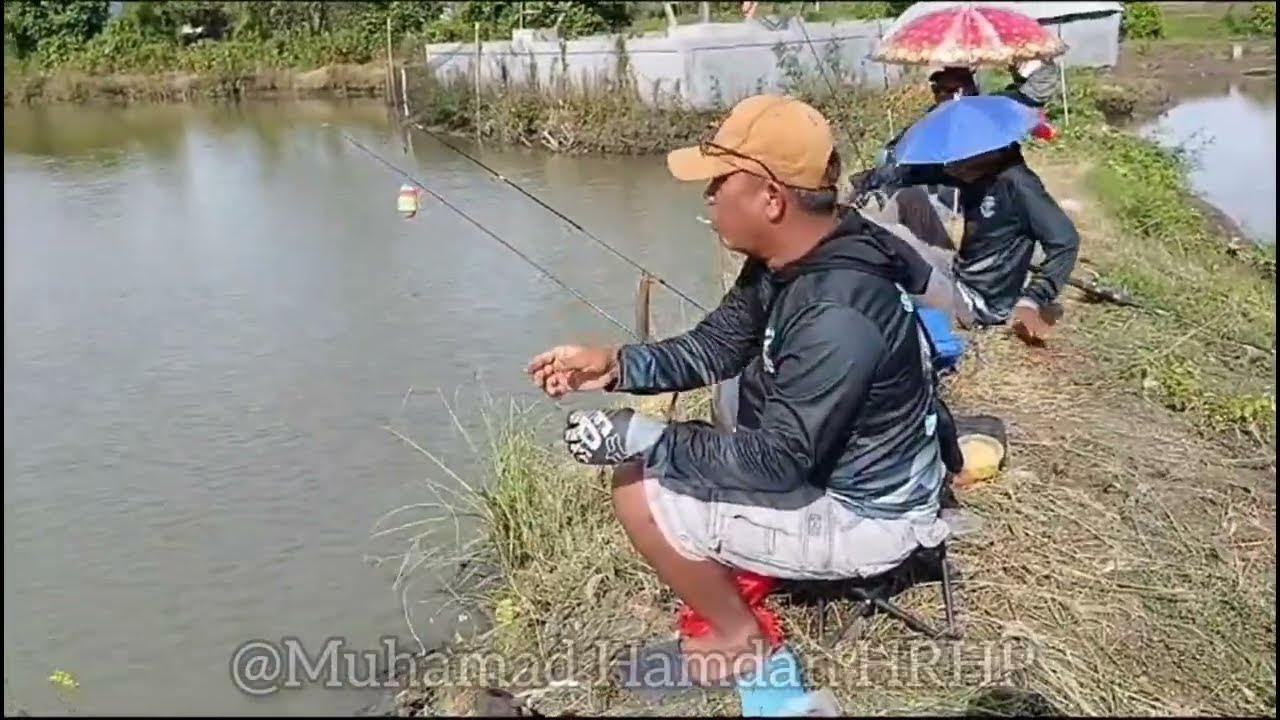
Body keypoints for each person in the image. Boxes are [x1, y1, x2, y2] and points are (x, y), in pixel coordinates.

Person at [526, 94, 962, 709]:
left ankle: (740, 642)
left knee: (636, 488)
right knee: (700, 431)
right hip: (839, 470)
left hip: (874, 518)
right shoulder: (792, 258)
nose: (707, 200)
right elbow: (715, 346)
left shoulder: (836, 310)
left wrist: (639, 437)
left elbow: (779, 462)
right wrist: (616, 364)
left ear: (770, 198)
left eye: (718, 185)